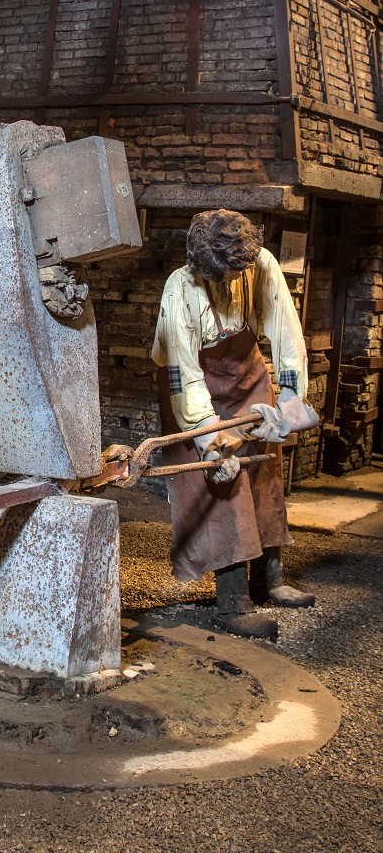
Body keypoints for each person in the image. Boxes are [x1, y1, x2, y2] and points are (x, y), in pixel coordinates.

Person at [150, 209, 318, 637]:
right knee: (224, 483)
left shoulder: (259, 263)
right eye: (221, 272)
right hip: (196, 387)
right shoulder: (179, 288)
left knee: (264, 472)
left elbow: (284, 329)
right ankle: (232, 604)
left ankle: (270, 581)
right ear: (201, 262)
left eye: (236, 269)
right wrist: (209, 437)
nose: (230, 278)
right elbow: (184, 371)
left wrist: (292, 397)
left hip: (247, 375)